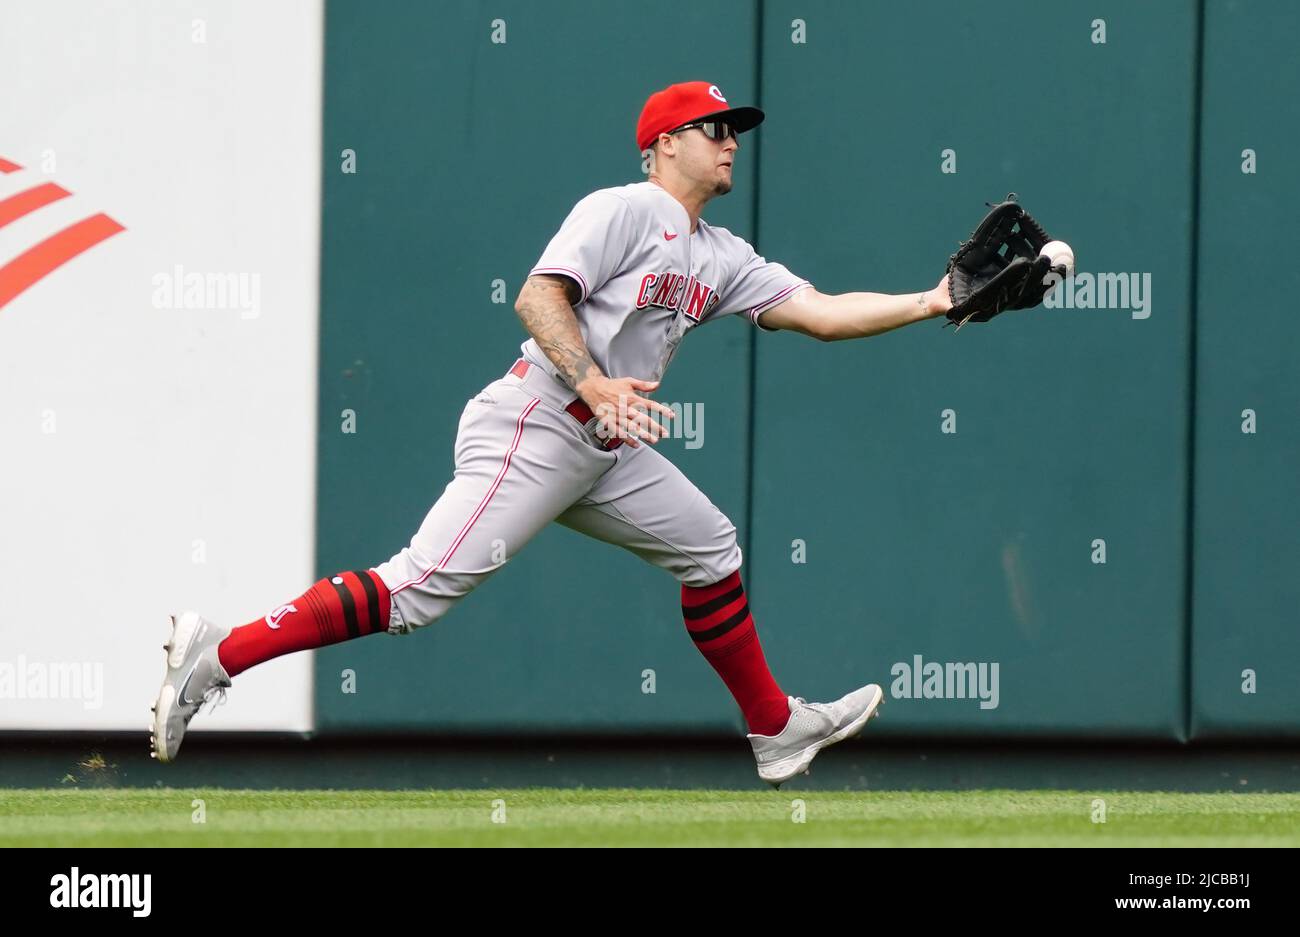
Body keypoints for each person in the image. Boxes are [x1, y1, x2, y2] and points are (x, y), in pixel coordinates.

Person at [151, 80, 954, 787]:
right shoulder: (623, 208)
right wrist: (594, 382)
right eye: (715, 128)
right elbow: (538, 298)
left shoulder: (721, 254)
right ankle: (220, 653)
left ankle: (775, 728)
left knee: (711, 548)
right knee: (414, 592)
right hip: (537, 420)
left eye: (733, 129)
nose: (730, 142)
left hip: (605, 446)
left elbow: (819, 313)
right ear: (665, 143)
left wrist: (930, 299)